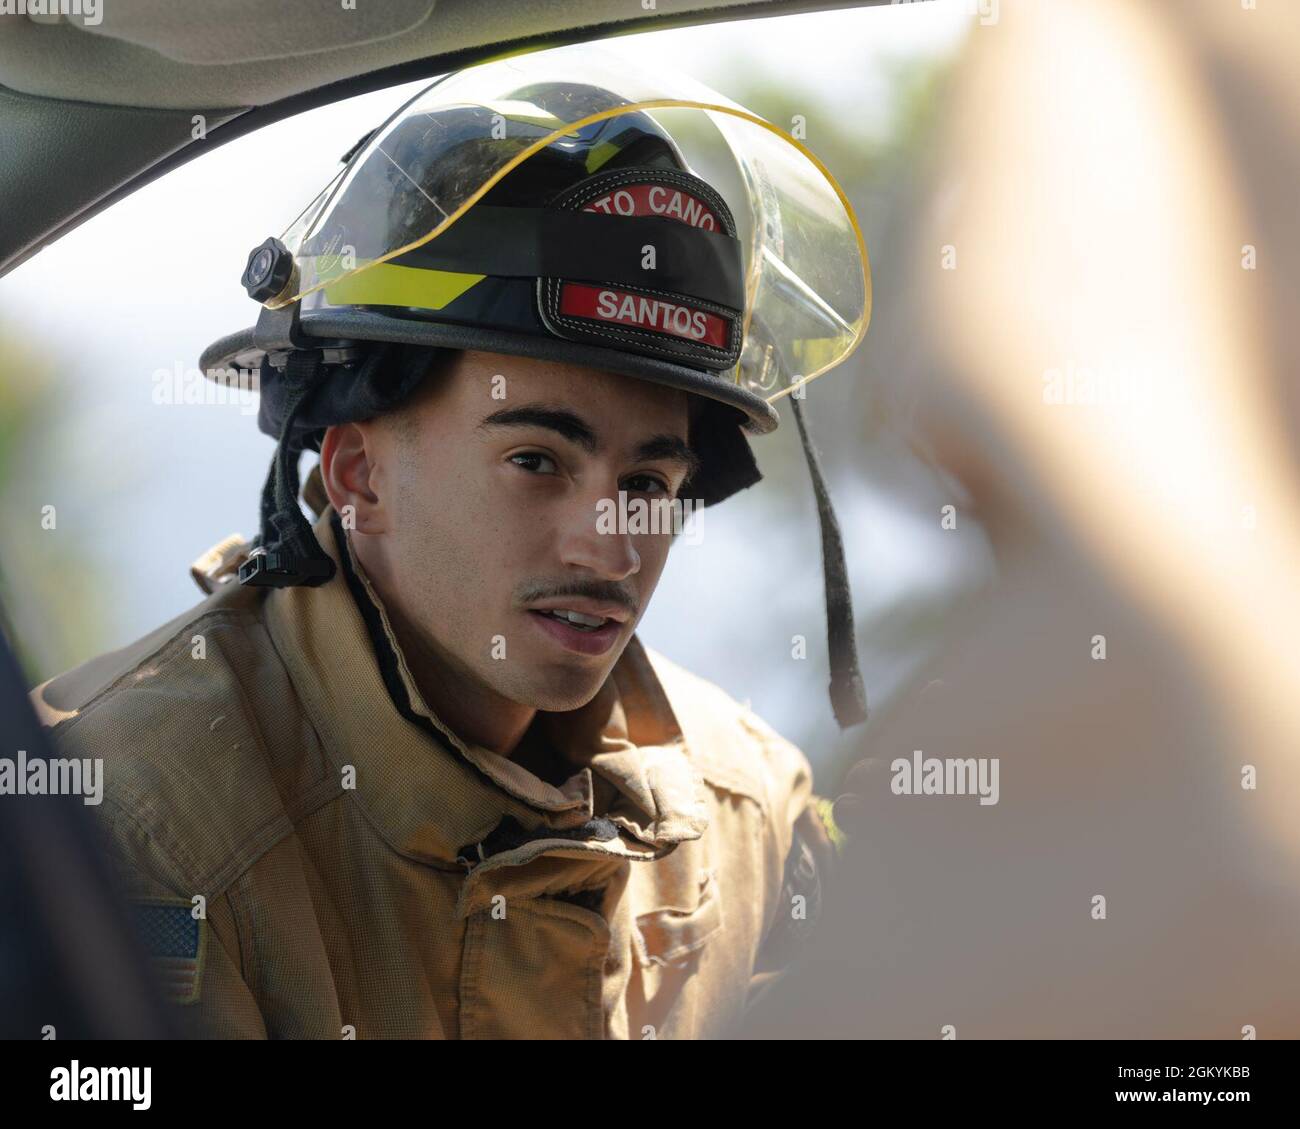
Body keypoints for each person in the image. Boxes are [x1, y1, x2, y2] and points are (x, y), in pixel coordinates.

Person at [28, 47, 872, 1039]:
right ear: (357, 474)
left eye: (647, 482)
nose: (611, 546)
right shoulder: (127, 816)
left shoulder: (748, 812)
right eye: (537, 461)